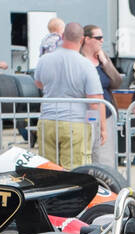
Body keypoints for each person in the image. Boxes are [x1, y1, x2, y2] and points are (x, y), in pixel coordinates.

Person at [33, 21, 102, 168]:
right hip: (75, 122)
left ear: (62, 36)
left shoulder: (45, 60)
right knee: (74, 172)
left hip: (47, 119)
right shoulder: (86, 65)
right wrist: (99, 126)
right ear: (82, 39)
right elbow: (94, 102)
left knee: (48, 170)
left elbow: (38, 83)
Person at [83, 24, 123, 169]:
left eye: (102, 37)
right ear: (86, 39)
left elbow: (117, 82)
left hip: (106, 113)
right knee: (88, 154)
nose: (101, 40)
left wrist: (105, 63)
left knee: (106, 156)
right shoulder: (79, 59)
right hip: (86, 114)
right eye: (98, 37)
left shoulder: (102, 57)